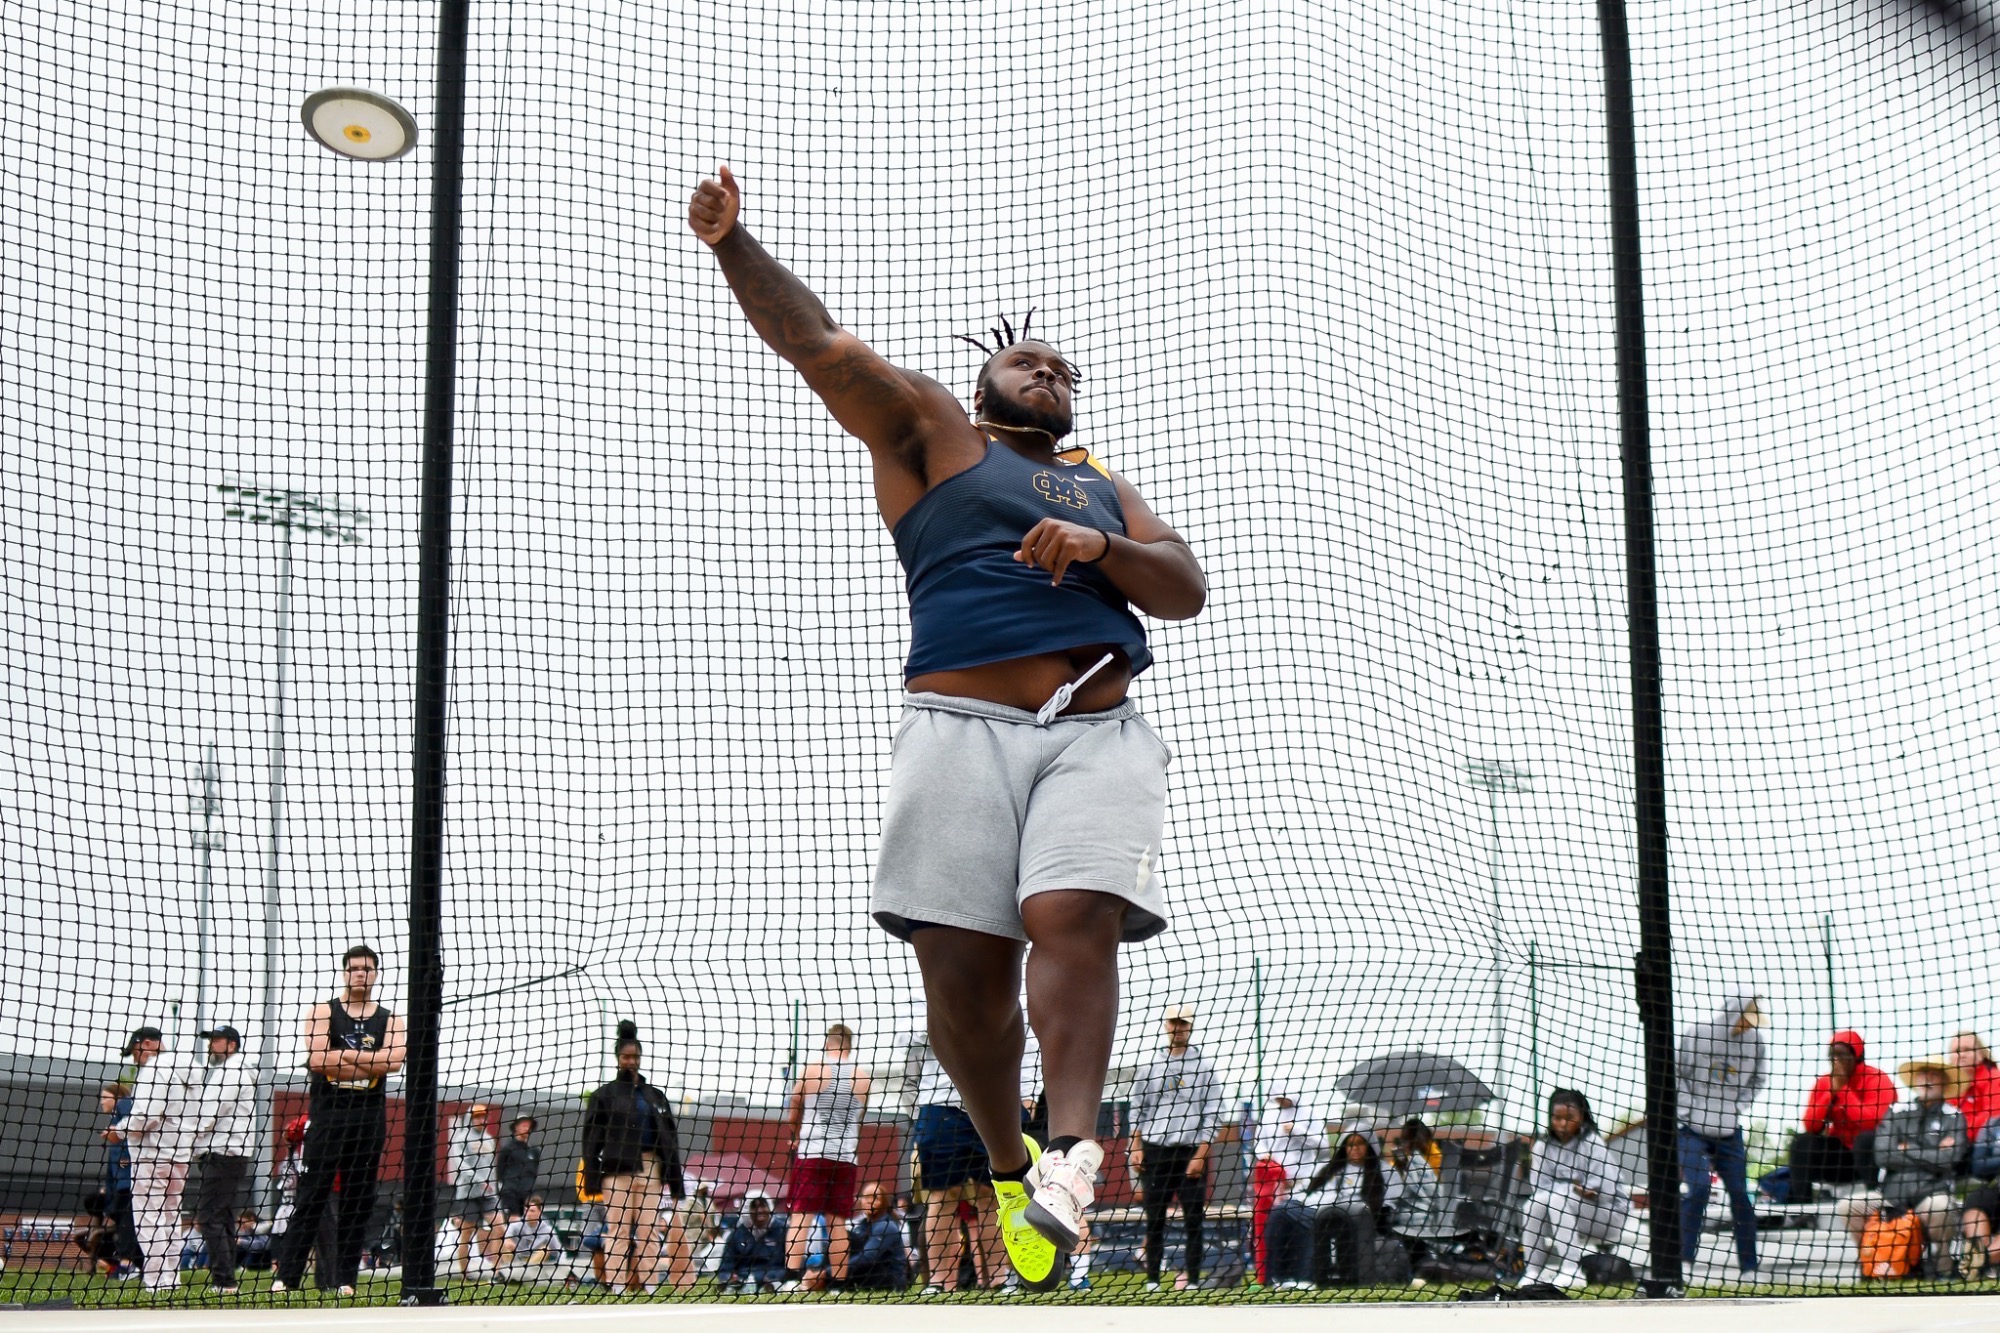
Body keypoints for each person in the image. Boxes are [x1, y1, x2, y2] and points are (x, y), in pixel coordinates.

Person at [687, 166, 1207, 1292]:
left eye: (1065, 369)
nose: (1051, 372)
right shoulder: (928, 432)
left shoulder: (1100, 487)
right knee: (964, 985)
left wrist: (1100, 550)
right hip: (955, 724)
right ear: (982, 387)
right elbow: (822, 347)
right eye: (1029, 360)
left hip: (1095, 727)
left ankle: (1074, 1149)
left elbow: (1183, 586)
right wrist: (734, 245)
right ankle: (1012, 1158)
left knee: (1069, 908)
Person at [272, 944, 407, 1296]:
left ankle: (345, 1280)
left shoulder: (390, 1019)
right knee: (311, 1199)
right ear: (344, 972)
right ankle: (286, 1278)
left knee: (357, 1201)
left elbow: (393, 1062)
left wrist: (342, 1056)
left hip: (368, 1118)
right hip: (328, 1115)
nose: (360, 973)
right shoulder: (323, 1011)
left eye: (367, 968)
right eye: (354, 968)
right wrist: (367, 1057)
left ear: (376, 974)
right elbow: (318, 1061)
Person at [1837, 1056, 1970, 1276]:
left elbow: (1947, 1161)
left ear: (1945, 1083)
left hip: (1931, 1193)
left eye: (1934, 1075)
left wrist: (1907, 1148)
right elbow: (1883, 1155)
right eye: (1923, 1074)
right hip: (1891, 1195)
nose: (1927, 1079)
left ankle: (1943, 1266)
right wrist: (1932, 1153)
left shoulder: (1954, 1117)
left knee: (1942, 1207)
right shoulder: (1896, 1111)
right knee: (1848, 1206)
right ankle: (1873, 1263)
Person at [581, 1021, 688, 1293]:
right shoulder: (604, 1095)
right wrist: (592, 1179)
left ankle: (649, 1283)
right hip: (617, 1171)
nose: (631, 1061)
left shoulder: (655, 1095)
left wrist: (676, 1183)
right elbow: (591, 1141)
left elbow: (669, 1140)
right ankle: (616, 1284)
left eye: (635, 1057)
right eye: (626, 1057)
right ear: (618, 1058)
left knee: (649, 1229)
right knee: (617, 1230)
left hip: (651, 1167)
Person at [1128, 1004, 1224, 1291]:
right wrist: (1136, 1146)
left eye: (1183, 1023)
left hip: (1189, 1152)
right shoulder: (1150, 1067)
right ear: (1166, 1025)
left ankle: (1193, 1280)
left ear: (1190, 1027)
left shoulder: (1205, 1069)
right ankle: (1153, 1280)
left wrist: (1201, 1155)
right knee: (1155, 1219)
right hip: (1155, 1150)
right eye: (1173, 1023)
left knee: (1194, 1219)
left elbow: (1214, 1113)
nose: (1178, 1028)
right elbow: (1137, 1110)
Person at [1676, 991, 1765, 1274]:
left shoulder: (1756, 1043)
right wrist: (1687, 1110)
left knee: (1740, 1194)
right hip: (1691, 1129)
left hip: (1729, 1130)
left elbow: (1758, 1079)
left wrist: (1737, 1106)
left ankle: (1749, 1267)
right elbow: (1676, 1073)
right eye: (1745, 1017)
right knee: (1699, 1188)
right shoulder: (1697, 1034)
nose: (1749, 1025)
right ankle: (1684, 1260)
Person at [1518, 1089, 1637, 1290]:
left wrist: (1579, 1191)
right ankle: (1533, 1273)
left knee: (1557, 1199)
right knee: (1532, 1205)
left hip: (1607, 1216)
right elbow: (1539, 1189)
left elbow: (1605, 1193)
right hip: (1562, 1215)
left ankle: (1571, 1270)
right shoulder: (1542, 1147)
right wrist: (1572, 1188)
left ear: (1582, 1117)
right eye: (1557, 1118)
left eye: (1569, 1118)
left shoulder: (1592, 1144)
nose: (1562, 1124)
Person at [783, 1023, 873, 1287]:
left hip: (813, 1152)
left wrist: (796, 1134)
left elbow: (794, 1106)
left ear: (827, 1043)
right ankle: (839, 1284)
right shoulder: (863, 1077)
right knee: (838, 1222)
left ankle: (790, 1279)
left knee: (801, 1217)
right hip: (845, 1156)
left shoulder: (813, 1069)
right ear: (850, 1045)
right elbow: (860, 1118)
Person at [123, 1030, 204, 1291]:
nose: (135, 1060)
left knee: (150, 1220)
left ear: (145, 1044)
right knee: (171, 1218)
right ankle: (172, 1279)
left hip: (151, 1154)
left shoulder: (154, 1068)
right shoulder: (191, 1069)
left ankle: (157, 1283)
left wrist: (120, 1130)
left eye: (134, 1052)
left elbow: (146, 1117)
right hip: (180, 1156)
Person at [1265, 1128, 1388, 1289]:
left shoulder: (1380, 1171)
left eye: (1360, 1144)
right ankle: (1276, 1277)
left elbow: (1379, 1205)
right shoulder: (1331, 1168)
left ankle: (1306, 1278)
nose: (1355, 1149)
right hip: (1313, 1206)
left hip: (1344, 1218)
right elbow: (1309, 1191)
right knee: (1279, 1212)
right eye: (1350, 1145)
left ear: (1369, 1146)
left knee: (1312, 1222)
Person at [1790, 1030, 1895, 1203]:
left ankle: (1876, 1202)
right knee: (1802, 1142)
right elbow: (1811, 1125)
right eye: (1833, 1056)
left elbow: (1870, 1122)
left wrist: (1844, 1091)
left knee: (1865, 1138)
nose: (1836, 1061)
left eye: (1842, 1055)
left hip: (1872, 1156)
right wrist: (1830, 1093)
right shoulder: (1825, 1082)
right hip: (1840, 1159)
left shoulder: (1877, 1079)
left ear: (1857, 1056)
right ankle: (1801, 1208)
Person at [190, 1024, 255, 1294]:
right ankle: (226, 1280)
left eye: (215, 1040)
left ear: (231, 1044)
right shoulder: (230, 1070)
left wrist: (186, 1137)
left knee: (208, 1218)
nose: (210, 1045)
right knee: (223, 1217)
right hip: (228, 1154)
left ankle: (224, 1281)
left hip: (223, 1153)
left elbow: (212, 1112)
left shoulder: (232, 1071)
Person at [1250, 1086, 1326, 1285]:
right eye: (1277, 1098)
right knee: (1272, 1231)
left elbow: (1323, 1145)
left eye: (1283, 1097)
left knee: (1297, 1230)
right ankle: (1273, 1276)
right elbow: (1258, 1142)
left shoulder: (1310, 1113)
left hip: (1302, 1187)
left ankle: (1298, 1275)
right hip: (1273, 1187)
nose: (1280, 1102)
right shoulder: (1268, 1114)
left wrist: (1298, 1131)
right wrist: (1263, 1155)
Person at [447, 1103, 502, 1276]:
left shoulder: (489, 1139)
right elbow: (460, 1165)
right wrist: (479, 1180)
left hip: (488, 1194)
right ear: (470, 1118)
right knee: (466, 1234)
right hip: (468, 1195)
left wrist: (493, 1185)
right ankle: (465, 1273)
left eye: (483, 1116)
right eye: (477, 1116)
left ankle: (497, 1271)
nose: (480, 1119)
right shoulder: (462, 1138)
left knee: (499, 1227)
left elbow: (490, 1166)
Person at [97, 1081, 140, 1276]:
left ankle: (127, 1265)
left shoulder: (124, 1105)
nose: (101, 1102)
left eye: (105, 1097)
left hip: (129, 1181)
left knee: (128, 1224)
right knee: (123, 1221)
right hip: (121, 1182)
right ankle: (130, 1264)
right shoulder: (116, 1121)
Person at [1384, 1118, 1451, 1241]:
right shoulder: (1404, 1157)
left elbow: (1435, 1189)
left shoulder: (1438, 1158)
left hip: (1431, 1211)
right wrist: (1401, 1170)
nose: (1407, 1143)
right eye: (1405, 1139)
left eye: (1411, 1138)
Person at [841, 1182, 910, 1291]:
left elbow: (868, 1257)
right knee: (844, 1238)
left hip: (891, 1282)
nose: (869, 1201)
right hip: (868, 1277)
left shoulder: (887, 1226)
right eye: (866, 1197)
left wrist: (831, 1272)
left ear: (883, 1202)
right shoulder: (861, 1225)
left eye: (875, 1198)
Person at [717, 1192, 789, 1294]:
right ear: (747, 1210)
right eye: (754, 1207)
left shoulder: (784, 1231)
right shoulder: (737, 1234)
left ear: (770, 1207)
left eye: (763, 1205)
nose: (759, 1210)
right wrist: (728, 1277)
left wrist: (774, 1277)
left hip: (774, 1278)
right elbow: (725, 1265)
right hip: (743, 1280)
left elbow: (791, 1266)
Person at [1960, 1108, 2000, 1279]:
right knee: (1976, 1200)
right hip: (1997, 1185)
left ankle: (1984, 1260)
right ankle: (1979, 1259)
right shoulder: (1993, 1125)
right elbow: (1979, 1165)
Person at [495, 1196, 563, 1282]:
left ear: (539, 1212)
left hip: (534, 1261)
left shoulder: (547, 1230)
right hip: (516, 1258)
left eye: (532, 1211)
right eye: (526, 1210)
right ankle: (506, 1273)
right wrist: (508, 1241)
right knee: (504, 1245)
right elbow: (506, 1236)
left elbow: (559, 1250)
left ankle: (524, 1274)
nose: (529, 1214)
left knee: (545, 1249)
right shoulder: (516, 1225)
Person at [1949, 1031, 2000, 1140]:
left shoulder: (1995, 1079)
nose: (1961, 1055)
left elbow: (1993, 1117)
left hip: (1984, 1143)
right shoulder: (1949, 1086)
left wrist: (1957, 1133)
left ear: (1981, 1053)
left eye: (1967, 1049)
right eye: (1956, 1051)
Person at [495, 1114, 542, 1220]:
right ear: (516, 1127)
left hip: (528, 1195)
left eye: (528, 1126)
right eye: (523, 1125)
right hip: (511, 1194)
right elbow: (500, 1171)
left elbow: (534, 1171)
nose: (526, 1128)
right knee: (514, 1222)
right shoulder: (507, 1148)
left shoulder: (534, 1151)